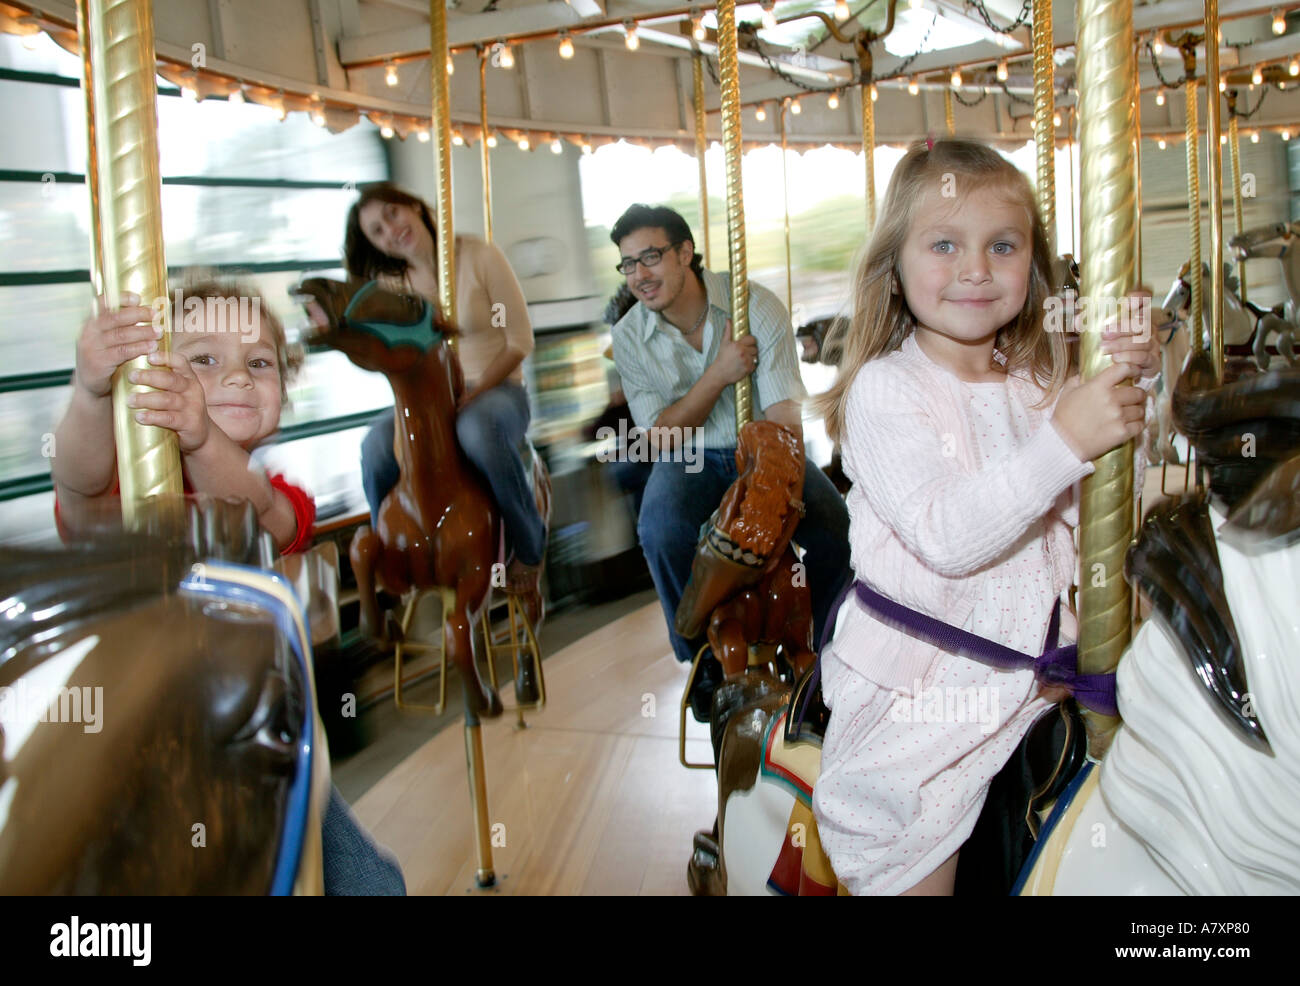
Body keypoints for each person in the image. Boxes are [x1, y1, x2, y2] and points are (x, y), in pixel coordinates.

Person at [809, 139, 1160, 895]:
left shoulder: (1036, 378)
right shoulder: (887, 391)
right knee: (913, 866)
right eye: (944, 244)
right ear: (894, 268)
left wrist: (1133, 378)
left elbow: (1102, 499)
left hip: (1045, 676)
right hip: (927, 703)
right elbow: (947, 534)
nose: (976, 268)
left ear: (1031, 269)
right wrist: (1068, 437)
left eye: (1003, 246)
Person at [51, 274, 405, 896]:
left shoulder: (283, 496)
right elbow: (76, 489)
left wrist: (201, 437)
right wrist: (88, 392)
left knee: (370, 886)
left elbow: (254, 509)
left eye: (259, 362)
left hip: (255, 751)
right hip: (141, 754)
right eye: (205, 360)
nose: (239, 376)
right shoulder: (126, 490)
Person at [607, 204, 851, 702]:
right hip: (690, 457)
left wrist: (777, 483)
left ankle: (831, 646)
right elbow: (660, 436)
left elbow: (784, 412)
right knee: (659, 528)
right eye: (628, 264)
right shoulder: (629, 337)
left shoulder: (752, 306)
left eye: (650, 257)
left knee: (838, 533)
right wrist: (718, 374)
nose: (639, 275)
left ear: (684, 253)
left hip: (766, 448)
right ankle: (697, 657)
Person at [345, 183, 544, 594]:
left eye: (392, 214)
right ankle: (388, 547)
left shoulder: (479, 258)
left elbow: (517, 340)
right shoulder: (393, 287)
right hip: (431, 400)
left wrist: (473, 391)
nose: (391, 230)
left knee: (478, 432)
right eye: (377, 232)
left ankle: (529, 544)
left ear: (414, 207)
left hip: (495, 388)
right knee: (376, 447)